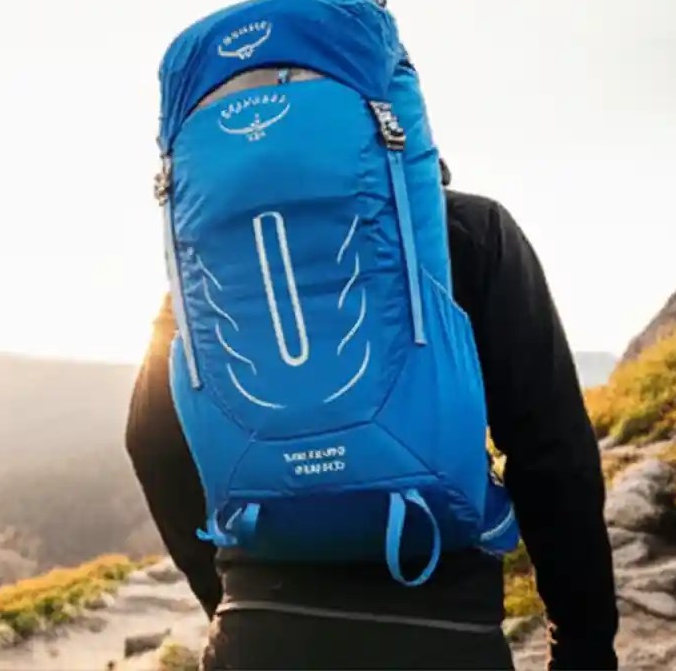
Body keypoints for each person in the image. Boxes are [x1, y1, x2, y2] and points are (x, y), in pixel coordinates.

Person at [125, 157, 619, 670]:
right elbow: (553, 454)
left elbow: (151, 444)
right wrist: (583, 650)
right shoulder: (465, 231)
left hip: (258, 631)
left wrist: (227, 597)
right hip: (444, 631)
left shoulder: (206, 272)